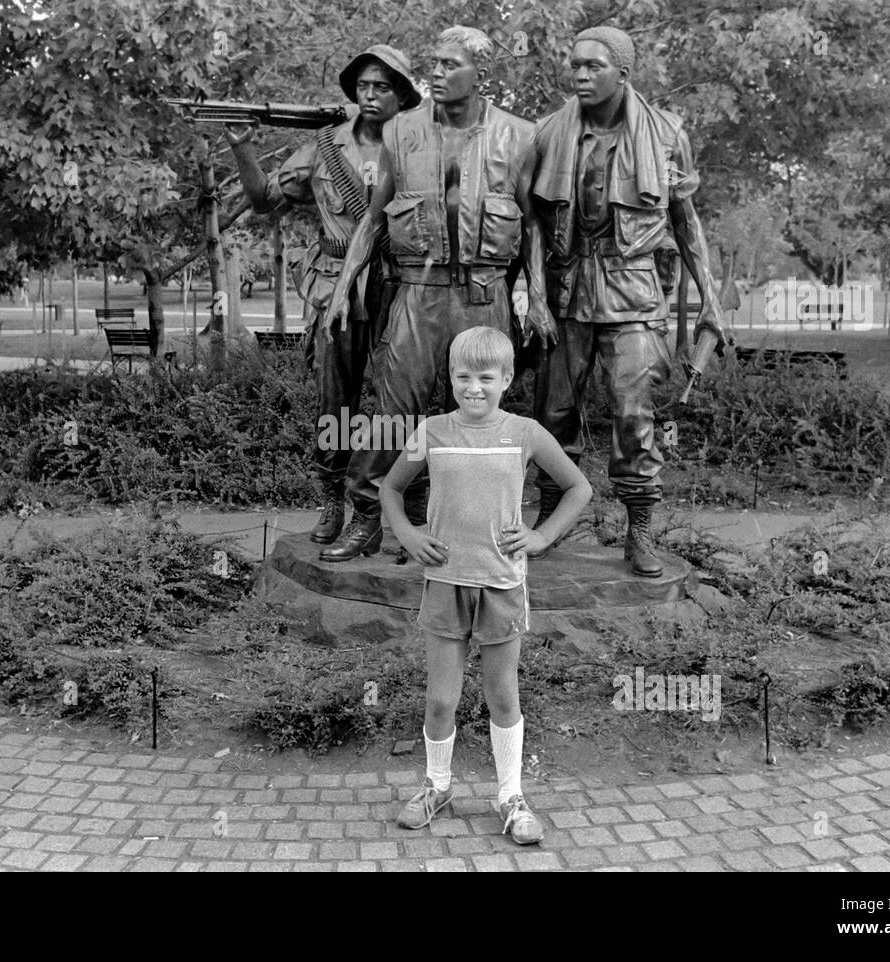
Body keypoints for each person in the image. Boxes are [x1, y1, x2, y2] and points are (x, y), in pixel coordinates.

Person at [321, 25, 556, 563]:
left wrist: (537, 297)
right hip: (418, 294)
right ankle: (367, 519)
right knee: (391, 412)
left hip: (484, 293)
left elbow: (535, 226)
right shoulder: (400, 132)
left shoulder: (518, 135)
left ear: (482, 74)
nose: (436, 72)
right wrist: (341, 288)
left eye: (450, 64)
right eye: (435, 62)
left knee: (479, 415)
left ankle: (471, 528)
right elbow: (373, 219)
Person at [527, 25, 728, 574]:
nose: (580, 75)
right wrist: (537, 298)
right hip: (567, 291)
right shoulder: (549, 133)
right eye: (575, 66)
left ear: (623, 72)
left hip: (634, 292)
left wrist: (709, 296)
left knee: (634, 414)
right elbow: (535, 226)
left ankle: (640, 529)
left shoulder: (665, 135)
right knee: (552, 415)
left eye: (593, 66)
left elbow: (686, 222)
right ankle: (549, 524)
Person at [381, 326, 593, 845]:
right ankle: (437, 786)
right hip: (444, 583)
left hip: (500, 584)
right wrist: (408, 535)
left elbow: (577, 487)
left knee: (502, 697)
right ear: (450, 378)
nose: (473, 387)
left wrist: (542, 536)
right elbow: (389, 488)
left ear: (506, 379)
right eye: (462, 376)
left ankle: (510, 796)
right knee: (440, 701)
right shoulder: (430, 431)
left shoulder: (525, 432)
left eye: (485, 377)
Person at [225, 45, 421, 547]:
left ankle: (386, 505)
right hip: (335, 285)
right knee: (336, 402)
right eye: (363, 87)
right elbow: (265, 200)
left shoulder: (417, 147)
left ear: (403, 96)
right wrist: (243, 150)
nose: (371, 95)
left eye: (383, 87)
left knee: (397, 400)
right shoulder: (325, 147)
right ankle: (332, 497)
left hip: (402, 285)